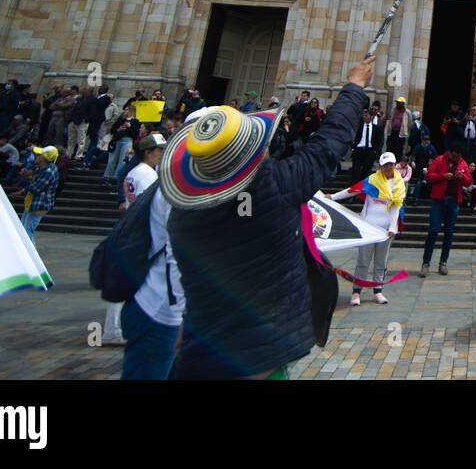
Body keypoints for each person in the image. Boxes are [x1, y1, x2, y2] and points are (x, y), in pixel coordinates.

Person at [162, 57, 372, 379]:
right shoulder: (273, 188)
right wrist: (355, 86)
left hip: (197, 355)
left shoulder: (182, 216)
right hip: (258, 360)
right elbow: (329, 144)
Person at [120, 131, 183, 380]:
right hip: (159, 302)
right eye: (158, 150)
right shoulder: (153, 179)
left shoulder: (139, 173)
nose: (162, 154)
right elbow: (175, 251)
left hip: (145, 282)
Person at [332, 150, 406, 305]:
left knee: (381, 261)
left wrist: (392, 228)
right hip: (368, 227)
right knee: (363, 261)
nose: (388, 167)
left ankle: (377, 291)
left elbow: (396, 208)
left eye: (391, 164)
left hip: (385, 230)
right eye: (385, 165)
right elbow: (352, 190)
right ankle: (356, 293)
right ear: (380, 166)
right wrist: (332, 197)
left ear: (394, 165)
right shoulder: (372, 180)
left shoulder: (399, 184)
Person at [420, 142, 472, 276]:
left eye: (458, 155)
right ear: (449, 152)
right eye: (454, 155)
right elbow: (429, 176)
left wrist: (462, 177)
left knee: (449, 233)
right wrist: (443, 176)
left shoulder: (462, 163)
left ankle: (443, 262)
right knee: (433, 230)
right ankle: (426, 263)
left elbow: (468, 181)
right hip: (438, 201)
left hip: (454, 201)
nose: (455, 157)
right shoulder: (439, 160)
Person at [20, 146, 60, 238]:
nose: (36, 156)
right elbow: (30, 167)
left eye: (38, 155)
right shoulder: (41, 167)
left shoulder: (49, 171)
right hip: (32, 203)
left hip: (38, 206)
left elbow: (35, 189)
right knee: (23, 230)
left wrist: (29, 177)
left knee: (27, 232)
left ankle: (30, 252)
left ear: (44, 158)